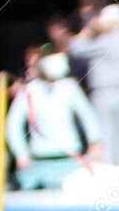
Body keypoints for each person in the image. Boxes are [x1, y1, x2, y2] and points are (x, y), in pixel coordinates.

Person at [6, 51, 102, 189]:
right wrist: (21, 153)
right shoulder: (29, 90)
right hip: (39, 161)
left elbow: (87, 114)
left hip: (70, 159)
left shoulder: (69, 87)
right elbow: (13, 124)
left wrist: (95, 141)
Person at [71, 3, 119, 168]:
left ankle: (110, 169)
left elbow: (76, 48)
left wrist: (88, 30)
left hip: (104, 92)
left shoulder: (105, 41)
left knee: (106, 134)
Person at [46, 15, 90, 84]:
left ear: (64, 29)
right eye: (51, 32)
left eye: (55, 31)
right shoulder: (54, 50)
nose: (53, 35)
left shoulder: (77, 42)